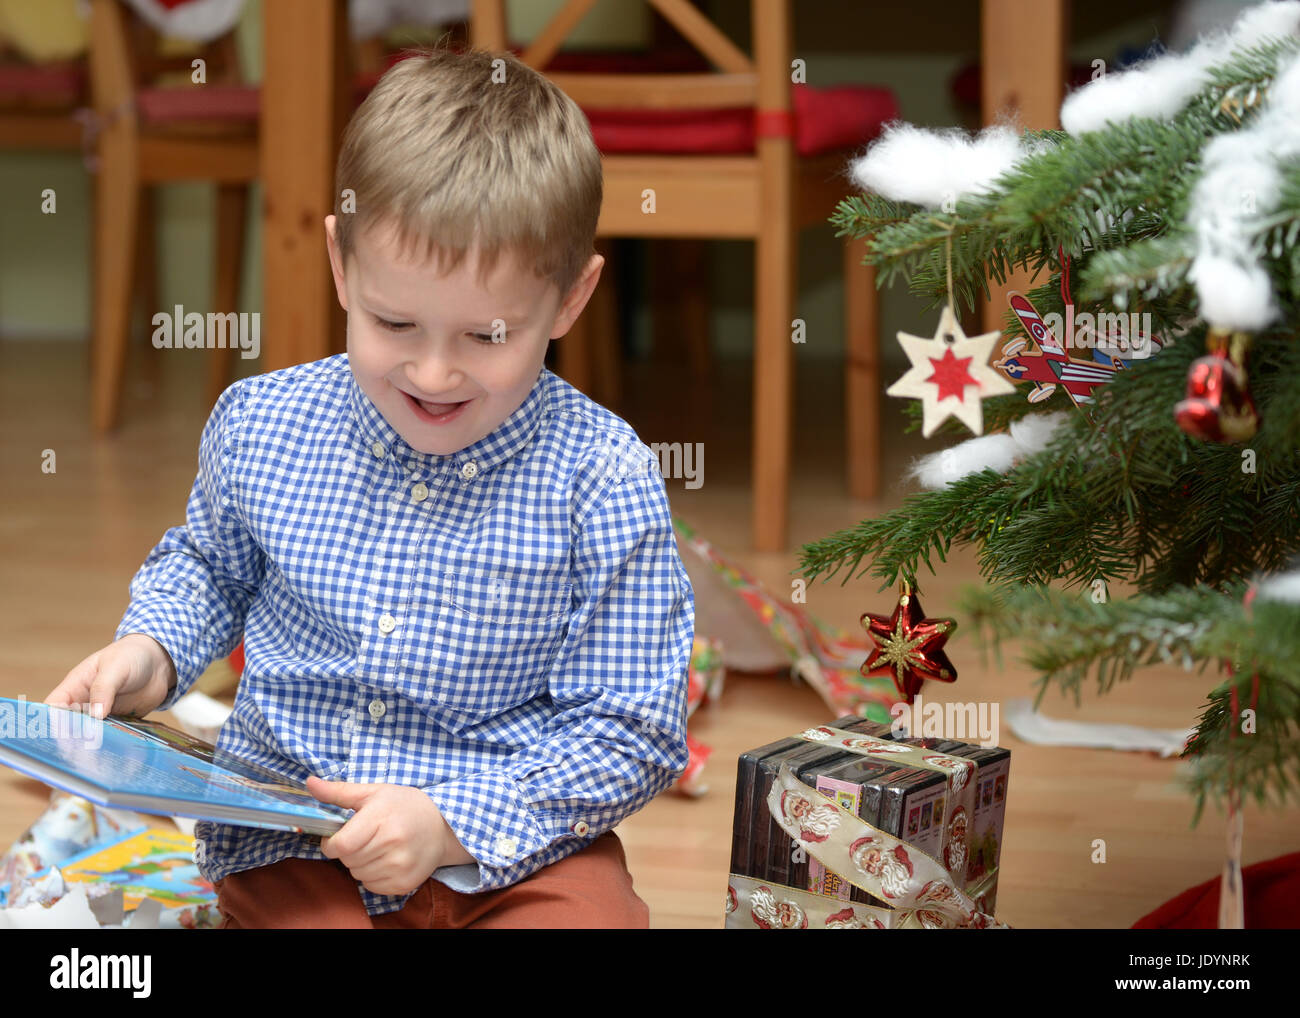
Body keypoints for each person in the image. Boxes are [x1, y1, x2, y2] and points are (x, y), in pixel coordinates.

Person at [45, 46, 694, 929]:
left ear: (571, 301)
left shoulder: (604, 476)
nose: (433, 373)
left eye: (486, 336)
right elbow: (208, 571)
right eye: (395, 323)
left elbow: (631, 728)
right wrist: (149, 652)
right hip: (294, 839)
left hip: (512, 844)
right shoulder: (262, 424)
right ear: (341, 264)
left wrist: (452, 823)